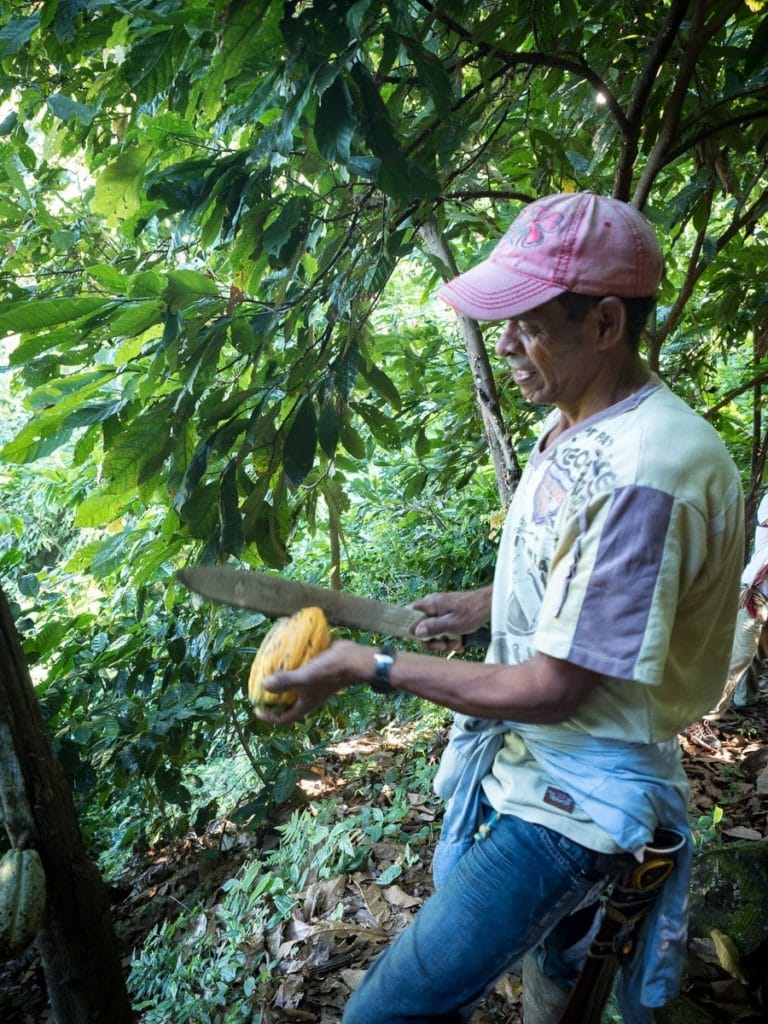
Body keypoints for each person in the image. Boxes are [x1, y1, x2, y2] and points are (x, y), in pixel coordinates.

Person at [256, 192, 744, 1024]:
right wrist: (483, 606)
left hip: (573, 803)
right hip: (541, 765)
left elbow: (556, 688)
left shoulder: (641, 472)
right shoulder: (583, 422)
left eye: (529, 323)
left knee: (382, 1013)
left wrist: (368, 666)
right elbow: (587, 589)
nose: (506, 345)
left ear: (606, 325)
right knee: (558, 976)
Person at [685, 490, 768, 750]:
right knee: (739, 655)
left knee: (757, 653)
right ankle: (702, 716)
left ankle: (746, 698)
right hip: (755, 593)